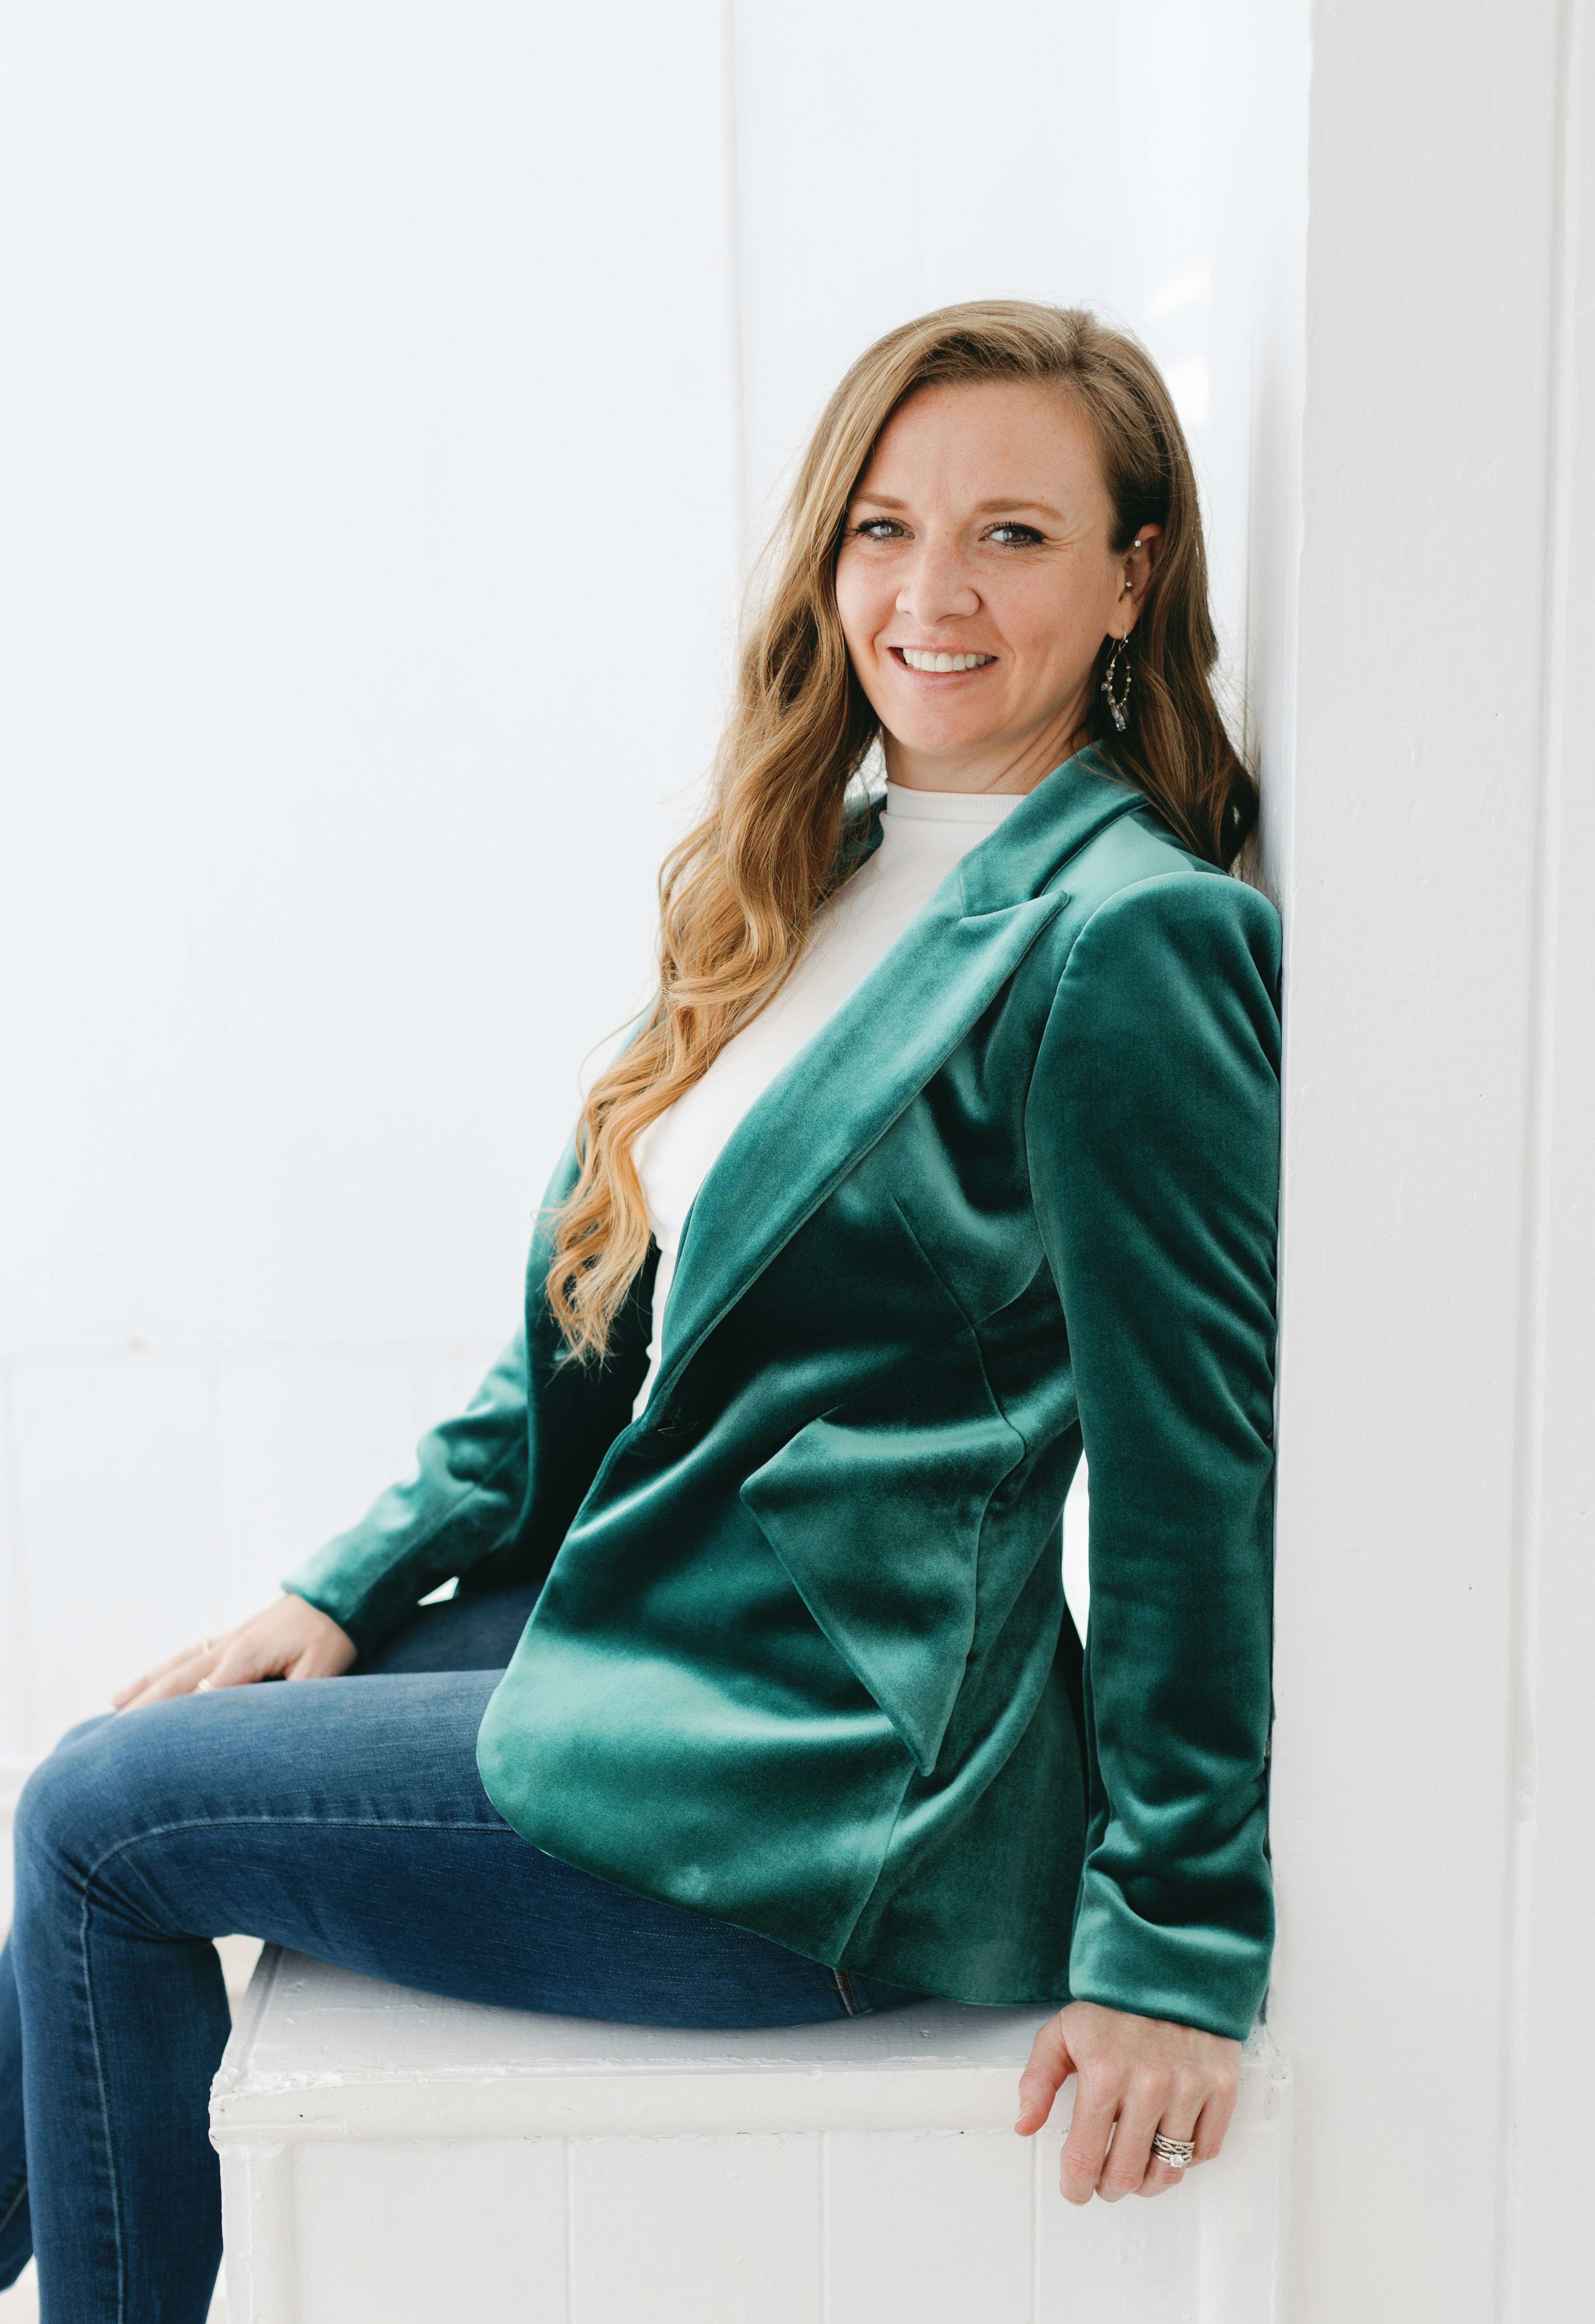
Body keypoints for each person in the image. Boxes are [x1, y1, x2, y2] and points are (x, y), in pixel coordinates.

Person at [2, 299, 1280, 2322]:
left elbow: (1203, 1463)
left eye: (1015, 535)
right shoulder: (825, 866)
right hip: (662, 1624)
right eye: (881, 525)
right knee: (160, 1729)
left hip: (829, 1784)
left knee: (88, 1822)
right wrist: (353, 1583)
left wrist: (1177, 1946)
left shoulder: (1134, 938)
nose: (931, 591)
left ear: (1136, 573)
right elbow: (594, 1334)